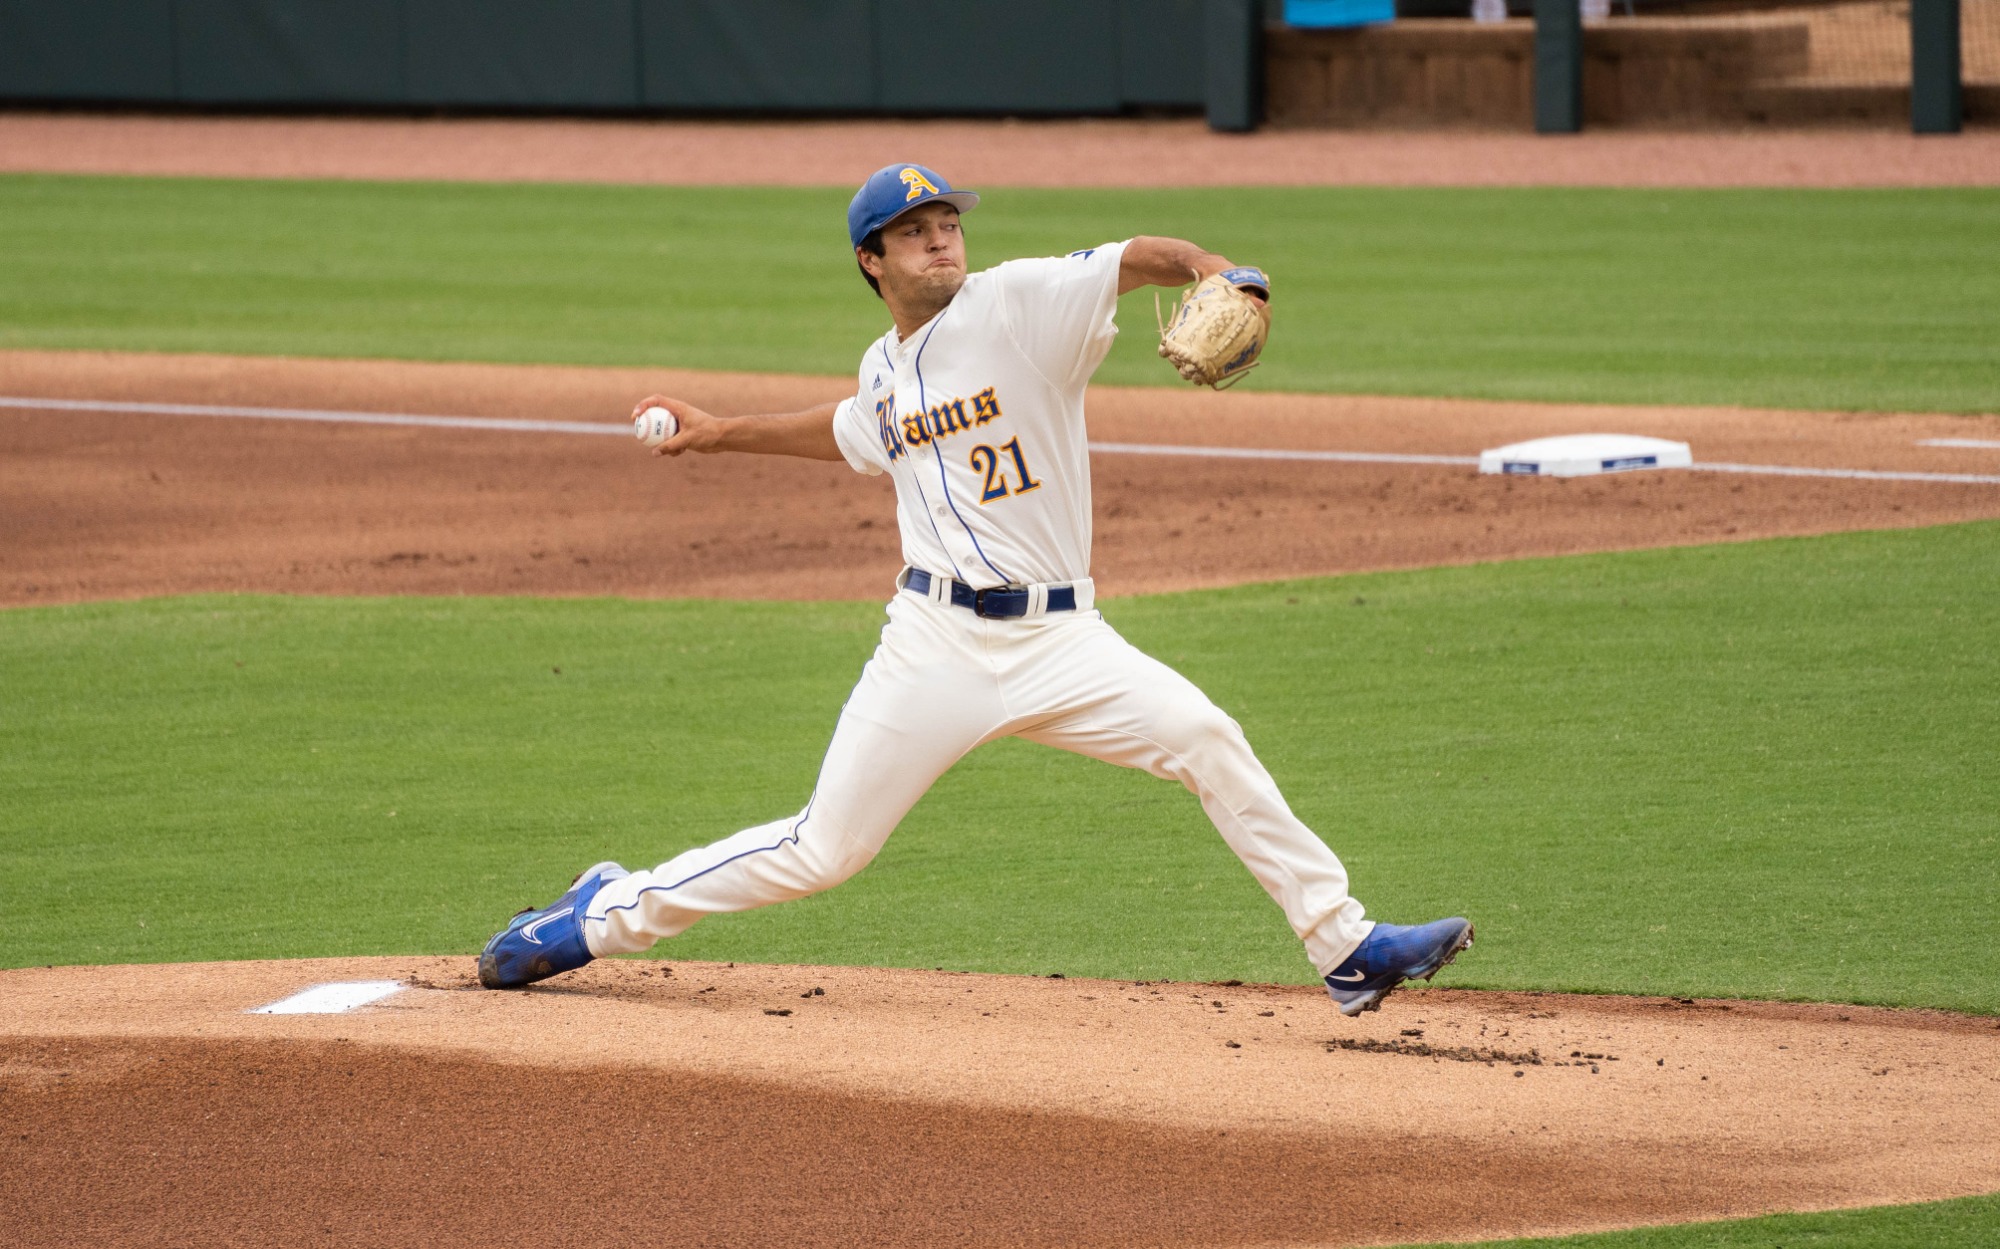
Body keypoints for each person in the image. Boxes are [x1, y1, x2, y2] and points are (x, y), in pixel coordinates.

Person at [477, 163, 1471, 1015]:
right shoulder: (883, 369)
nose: (940, 239)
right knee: (824, 850)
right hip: (934, 646)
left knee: (1205, 736)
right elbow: (847, 430)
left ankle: (1344, 945)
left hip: (1064, 642)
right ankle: (598, 914)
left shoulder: (1018, 303)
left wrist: (1216, 269)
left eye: (948, 222)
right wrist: (718, 431)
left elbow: (1134, 258)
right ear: (871, 259)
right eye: (914, 230)